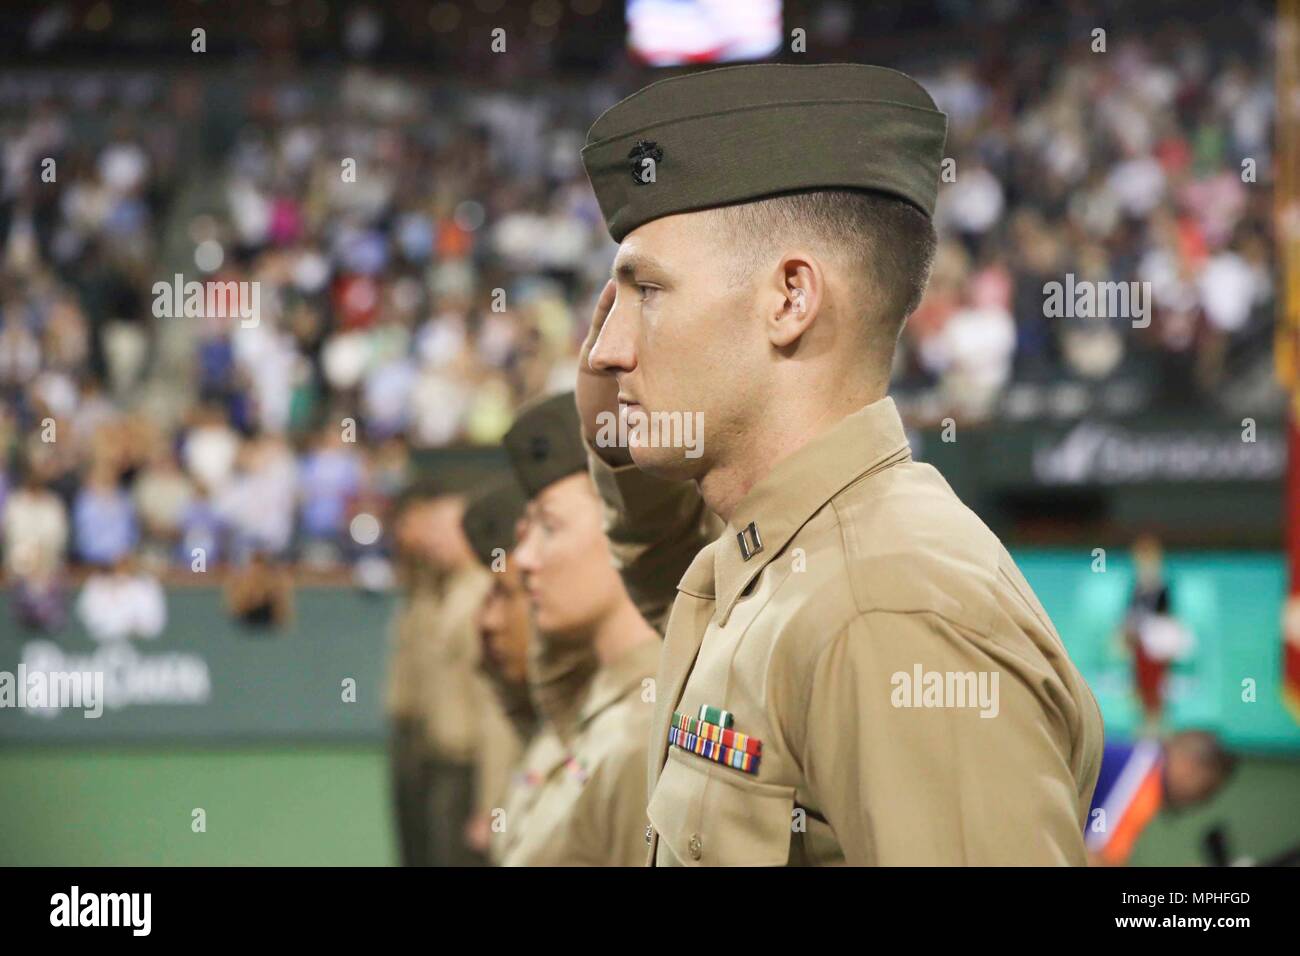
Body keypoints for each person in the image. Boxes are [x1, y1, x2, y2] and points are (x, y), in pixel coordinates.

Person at [575, 63, 1104, 865]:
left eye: (646, 290)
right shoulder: (773, 556)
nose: (608, 349)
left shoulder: (885, 607)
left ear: (791, 298)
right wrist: (619, 435)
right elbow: (666, 571)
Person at [488, 391, 660, 866]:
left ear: (621, 528)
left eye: (551, 526)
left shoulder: (642, 735)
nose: (522, 560)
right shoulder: (592, 710)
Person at [1086, 730, 1237, 866]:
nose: (1200, 801)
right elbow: (1087, 857)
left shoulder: (1143, 766)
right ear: (1191, 767)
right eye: (1205, 790)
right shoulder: (1140, 772)